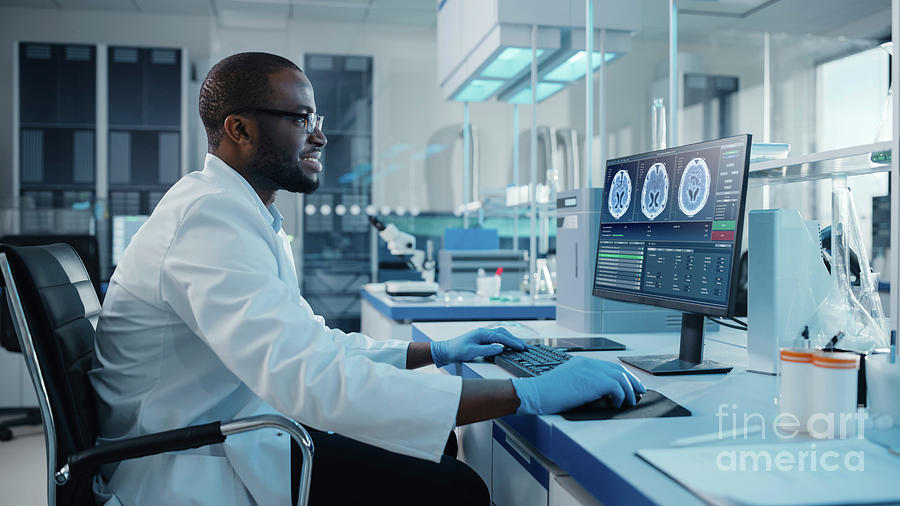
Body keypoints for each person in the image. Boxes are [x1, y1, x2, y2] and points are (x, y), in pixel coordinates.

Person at [89, 52, 645, 506]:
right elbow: (309, 378)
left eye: (317, 119)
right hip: (186, 466)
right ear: (239, 129)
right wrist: (524, 393)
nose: (319, 136)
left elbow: (312, 345)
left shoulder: (238, 212)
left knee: (439, 447)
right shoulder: (209, 219)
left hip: (240, 432)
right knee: (455, 491)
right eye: (301, 119)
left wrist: (433, 353)